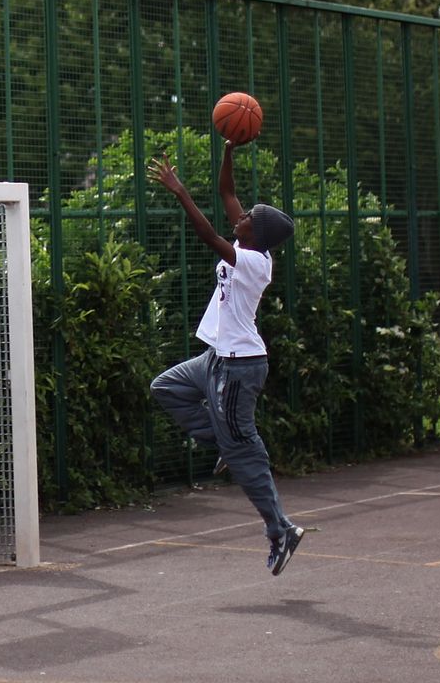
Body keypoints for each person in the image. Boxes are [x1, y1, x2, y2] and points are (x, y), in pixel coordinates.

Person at [148, 137, 306, 575]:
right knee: (165, 387)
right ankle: (222, 442)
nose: (240, 215)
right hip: (216, 357)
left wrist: (179, 191)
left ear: (255, 234)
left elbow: (207, 235)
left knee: (246, 451)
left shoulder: (254, 260)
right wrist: (228, 152)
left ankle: (281, 528)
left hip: (239, 367)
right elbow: (227, 193)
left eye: (248, 218)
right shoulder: (251, 239)